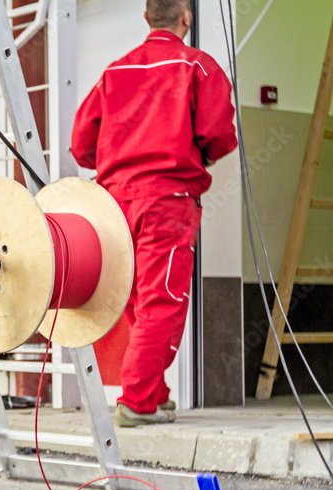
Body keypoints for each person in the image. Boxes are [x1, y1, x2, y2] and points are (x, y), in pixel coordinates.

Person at [71, 0, 238, 427]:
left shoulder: (114, 72)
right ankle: (138, 401)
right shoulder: (197, 67)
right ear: (186, 17)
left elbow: (81, 145)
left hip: (114, 204)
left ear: (146, 18)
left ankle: (155, 392)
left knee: (136, 298)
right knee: (163, 298)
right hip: (167, 201)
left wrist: (119, 161)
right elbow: (218, 135)